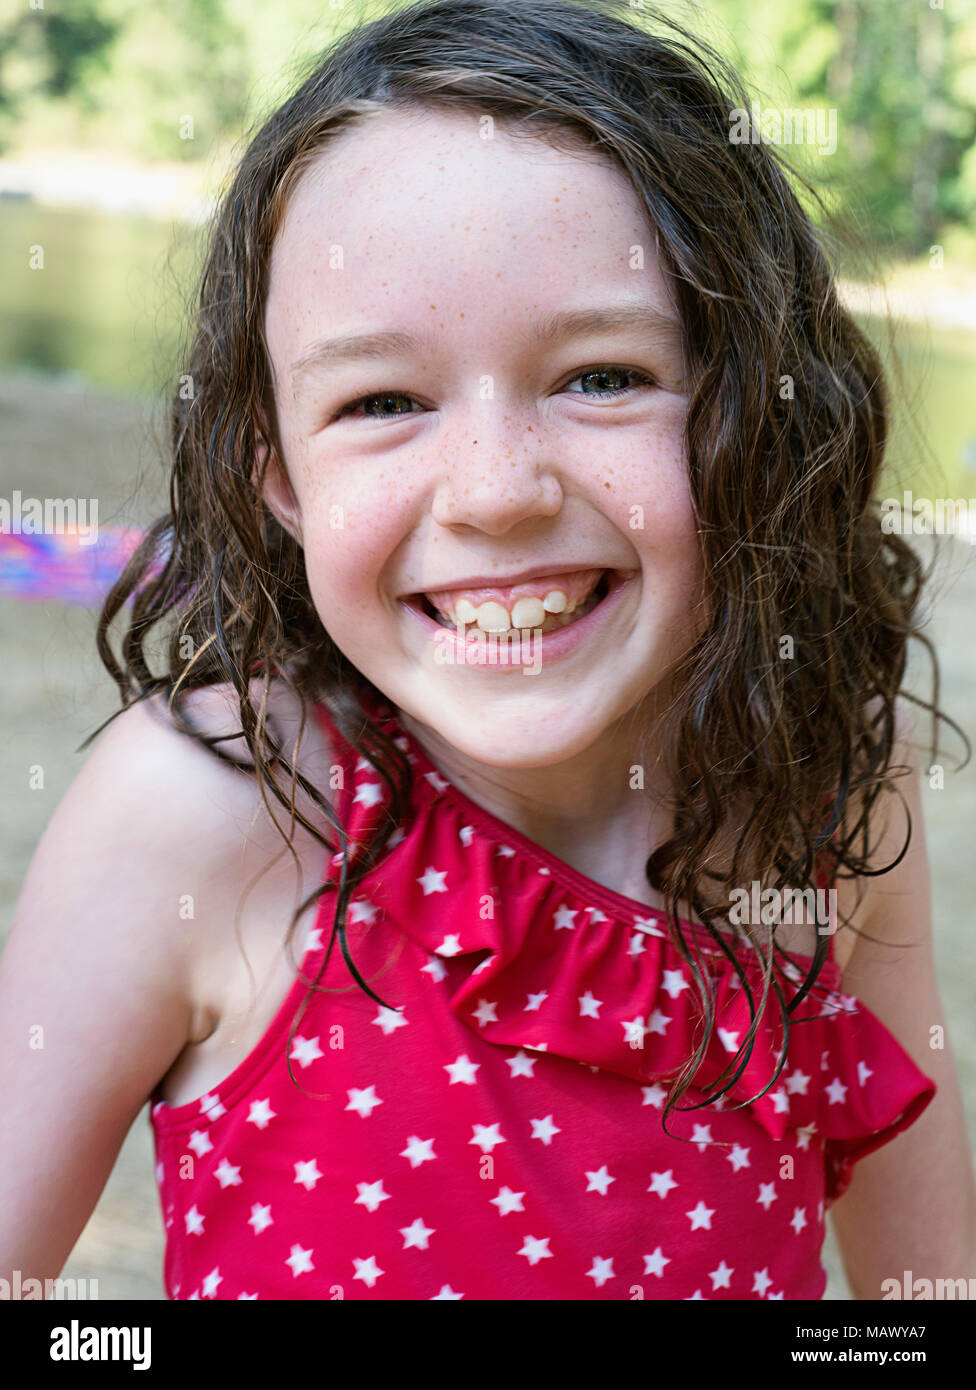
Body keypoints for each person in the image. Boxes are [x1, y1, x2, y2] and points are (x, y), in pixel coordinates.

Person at [2, 0, 973, 1301]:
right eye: (382, 402)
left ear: (754, 409)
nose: (496, 492)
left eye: (602, 376)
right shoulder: (201, 813)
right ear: (278, 475)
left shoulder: (832, 789)